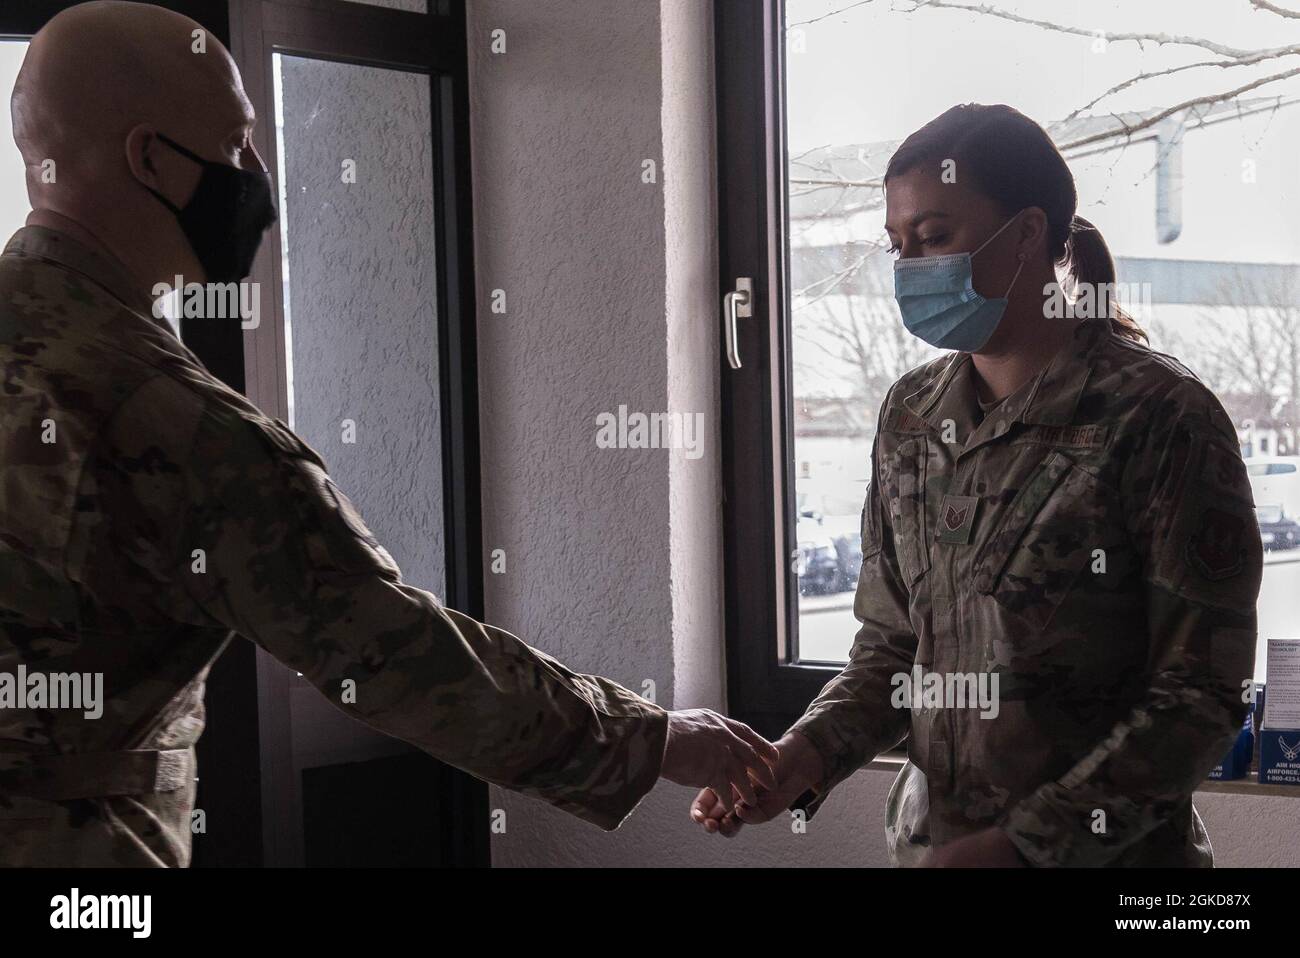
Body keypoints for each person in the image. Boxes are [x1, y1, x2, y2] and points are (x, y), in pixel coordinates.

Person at [0, 1, 777, 867]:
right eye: (234, 146)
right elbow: (396, 655)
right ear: (149, 158)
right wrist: (658, 738)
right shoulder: (173, 421)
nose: (259, 174)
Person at [692, 103, 1262, 867]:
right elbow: (893, 646)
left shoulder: (1159, 417)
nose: (911, 268)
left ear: (1028, 233)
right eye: (897, 245)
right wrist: (803, 755)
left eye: (934, 239)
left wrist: (1026, 847)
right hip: (937, 851)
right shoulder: (911, 416)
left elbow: (1200, 695)